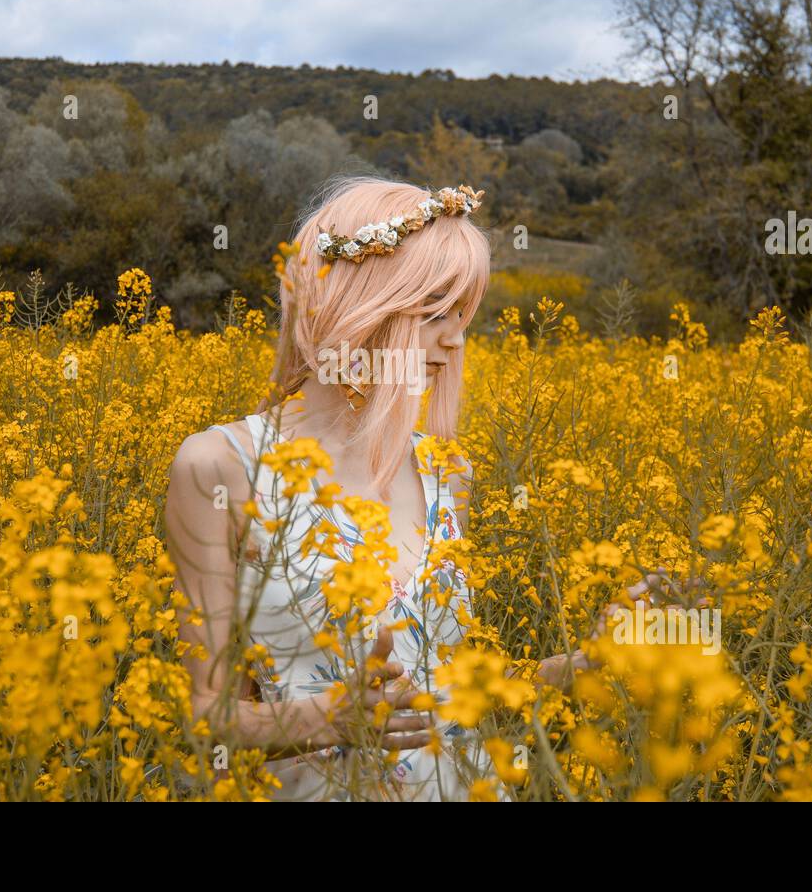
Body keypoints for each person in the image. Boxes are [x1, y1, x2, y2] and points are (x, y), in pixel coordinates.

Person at [164, 176, 669, 801]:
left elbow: (447, 687)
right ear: (358, 301)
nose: (455, 340)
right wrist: (326, 719)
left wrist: (580, 665)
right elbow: (203, 717)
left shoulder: (447, 473)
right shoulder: (219, 467)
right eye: (433, 312)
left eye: (463, 316)